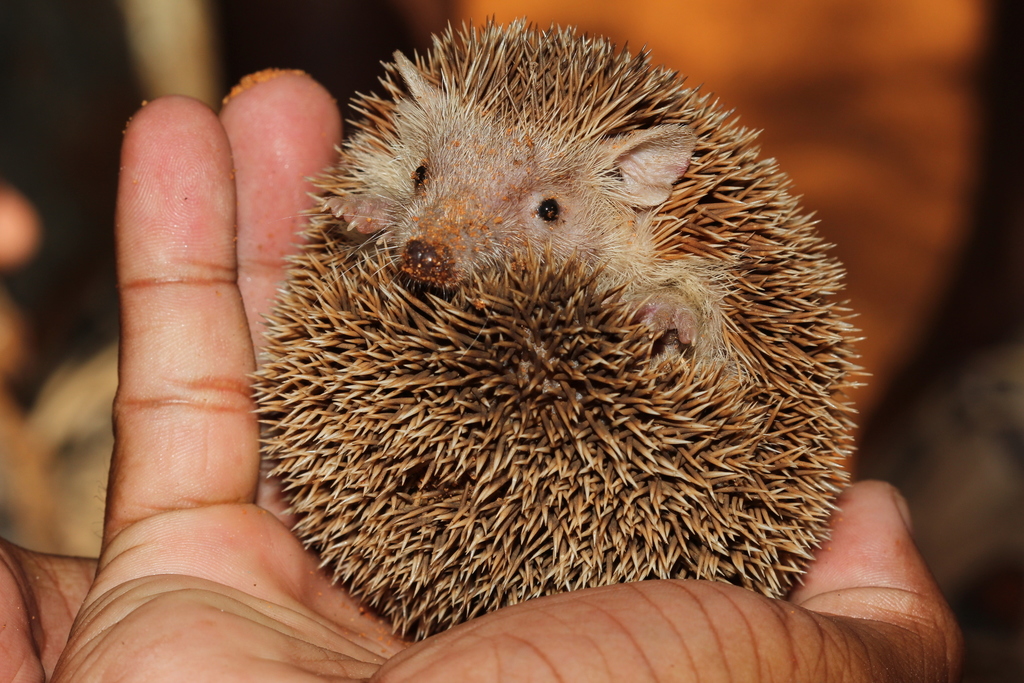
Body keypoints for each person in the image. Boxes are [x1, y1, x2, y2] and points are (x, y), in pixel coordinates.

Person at [0, 71, 963, 682]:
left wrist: (674, 327)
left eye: (543, 209)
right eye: (426, 186)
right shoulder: (403, 220)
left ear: (646, 186)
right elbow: (377, 221)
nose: (436, 243)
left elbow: (737, 372)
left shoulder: (687, 279)